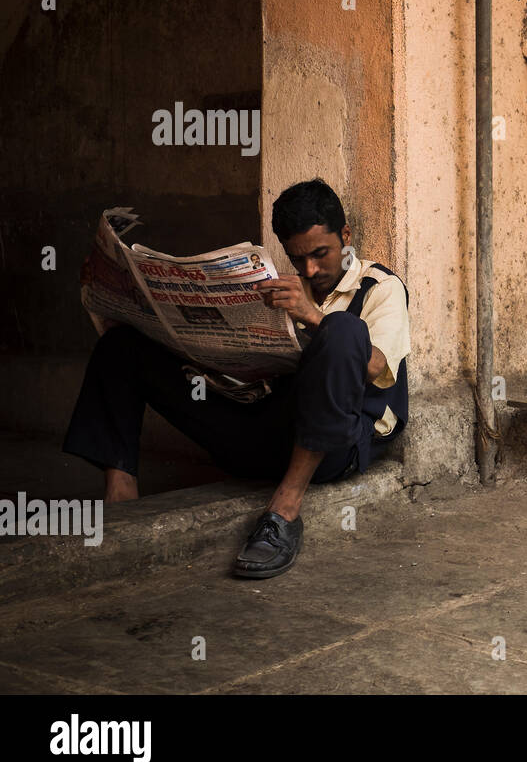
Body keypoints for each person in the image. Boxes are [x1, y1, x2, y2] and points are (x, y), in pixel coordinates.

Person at [63, 179, 411, 578]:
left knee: (343, 331)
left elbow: (374, 366)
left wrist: (314, 318)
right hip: (258, 434)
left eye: (321, 254)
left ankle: (284, 510)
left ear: (345, 236)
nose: (310, 270)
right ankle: (120, 494)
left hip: (335, 447)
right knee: (122, 344)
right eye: (299, 259)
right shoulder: (279, 287)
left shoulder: (380, 287)